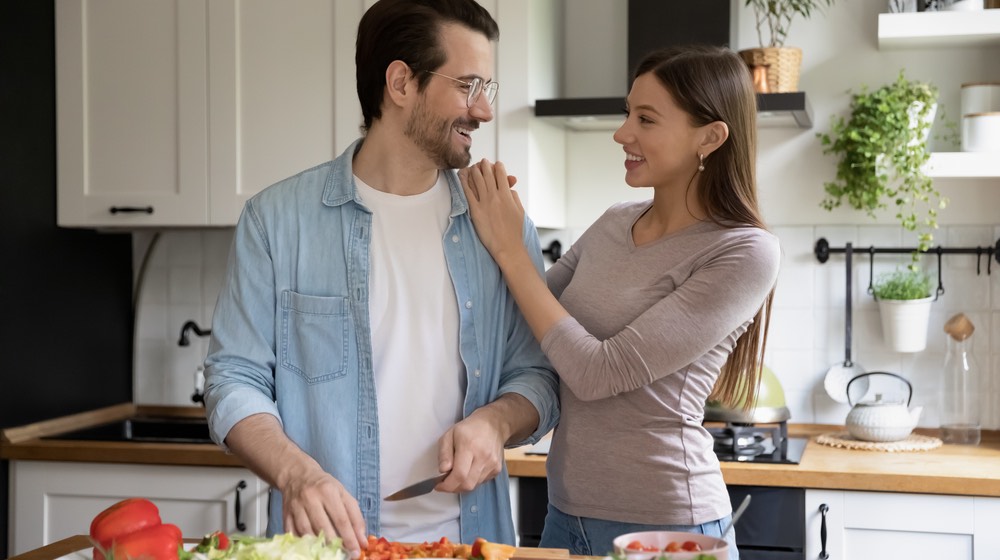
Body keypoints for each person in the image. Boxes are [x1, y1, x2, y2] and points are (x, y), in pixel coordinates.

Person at [202, 0, 559, 554]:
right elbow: (233, 379)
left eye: (487, 86)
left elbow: (537, 376)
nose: (484, 110)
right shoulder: (276, 221)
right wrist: (297, 474)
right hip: (324, 548)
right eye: (467, 85)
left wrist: (495, 422)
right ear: (400, 82)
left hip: (467, 545)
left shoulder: (502, 223)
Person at [460, 45, 780, 560]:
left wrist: (510, 249)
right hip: (565, 514)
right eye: (627, 113)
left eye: (646, 119)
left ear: (711, 137)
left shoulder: (744, 251)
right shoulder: (615, 221)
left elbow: (596, 372)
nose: (622, 132)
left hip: (668, 527)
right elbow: (523, 315)